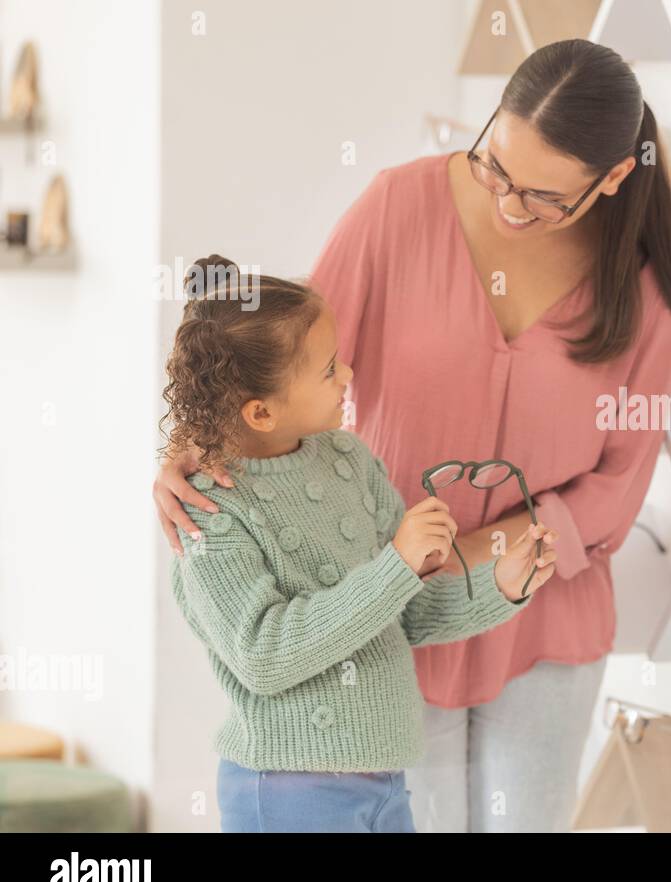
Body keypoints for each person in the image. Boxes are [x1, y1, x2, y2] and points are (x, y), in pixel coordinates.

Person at [160, 256, 558, 832]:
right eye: (327, 370)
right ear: (262, 411)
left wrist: (499, 585)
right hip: (288, 791)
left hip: (385, 781)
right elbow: (264, 657)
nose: (347, 374)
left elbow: (408, 612)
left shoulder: (350, 461)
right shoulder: (212, 515)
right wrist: (396, 564)